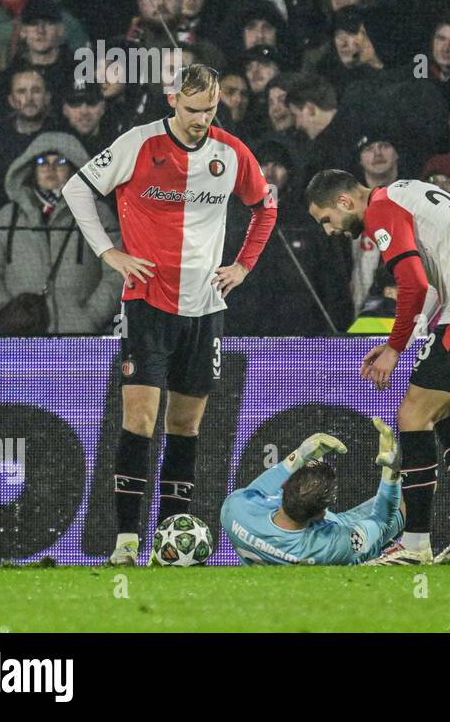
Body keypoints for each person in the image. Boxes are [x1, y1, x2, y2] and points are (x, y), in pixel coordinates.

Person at [60, 64, 277, 565]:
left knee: (185, 428)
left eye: (210, 109)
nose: (202, 119)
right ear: (171, 100)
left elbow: (266, 207)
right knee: (139, 420)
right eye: (193, 109)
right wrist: (108, 253)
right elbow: (78, 189)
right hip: (147, 304)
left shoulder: (231, 152)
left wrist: (243, 266)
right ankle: (125, 541)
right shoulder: (138, 143)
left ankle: (167, 541)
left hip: (205, 309)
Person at [304, 168, 450, 565]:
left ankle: (415, 544)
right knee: (443, 410)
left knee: (412, 414)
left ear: (344, 201)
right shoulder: (407, 190)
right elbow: (427, 280)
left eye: (326, 219)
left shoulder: (381, 208)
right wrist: (400, 342)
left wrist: (394, 348)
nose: (329, 230)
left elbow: (413, 283)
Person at [0, 132, 121, 334]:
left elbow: (117, 272)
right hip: (21, 338)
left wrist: (91, 317)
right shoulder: (8, 216)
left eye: (59, 162)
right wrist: (6, 313)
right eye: (42, 162)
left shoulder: (98, 213)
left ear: (73, 168)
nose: (50, 169)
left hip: (79, 340)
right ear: (31, 169)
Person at [221, 421, 404, 565]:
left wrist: (298, 455)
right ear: (322, 515)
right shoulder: (331, 545)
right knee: (410, 498)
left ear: (284, 488)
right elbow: (381, 521)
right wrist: (391, 474)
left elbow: (257, 491)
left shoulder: (235, 511)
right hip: (344, 551)